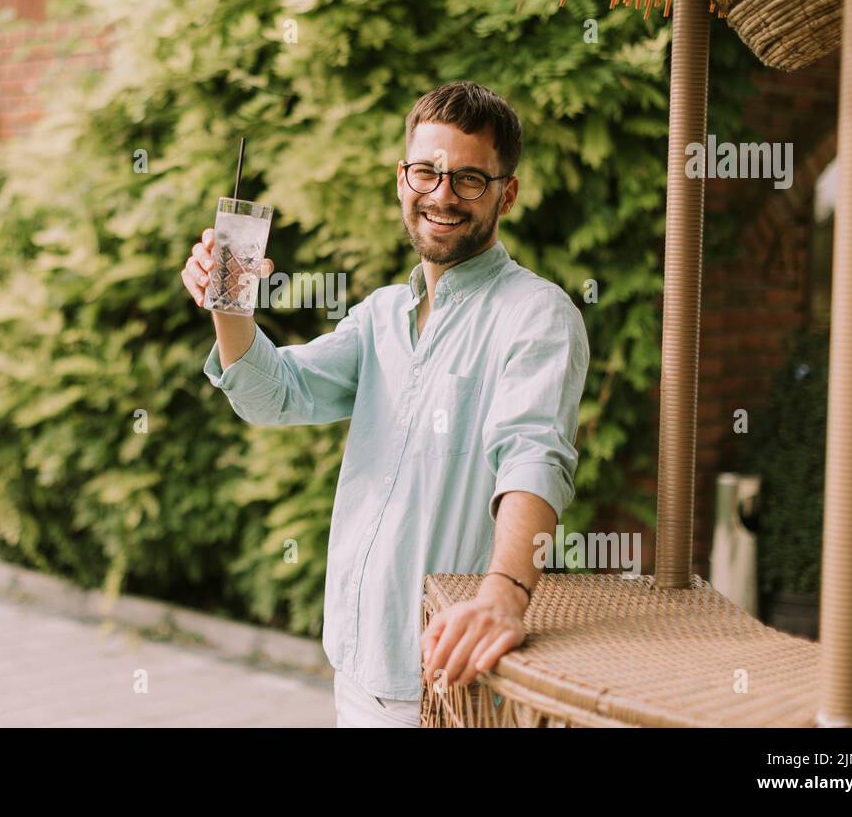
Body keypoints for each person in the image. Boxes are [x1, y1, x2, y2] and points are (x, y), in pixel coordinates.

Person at [180, 81, 590, 727]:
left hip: (449, 685)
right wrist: (227, 305)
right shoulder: (380, 317)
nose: (442, 195)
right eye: (426, 172)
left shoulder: (537, 316)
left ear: (506, 192)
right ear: (402, 179)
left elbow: (533, 459)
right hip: (355, 673)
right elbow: (275, 395)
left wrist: (504, 595)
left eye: (469, 179)